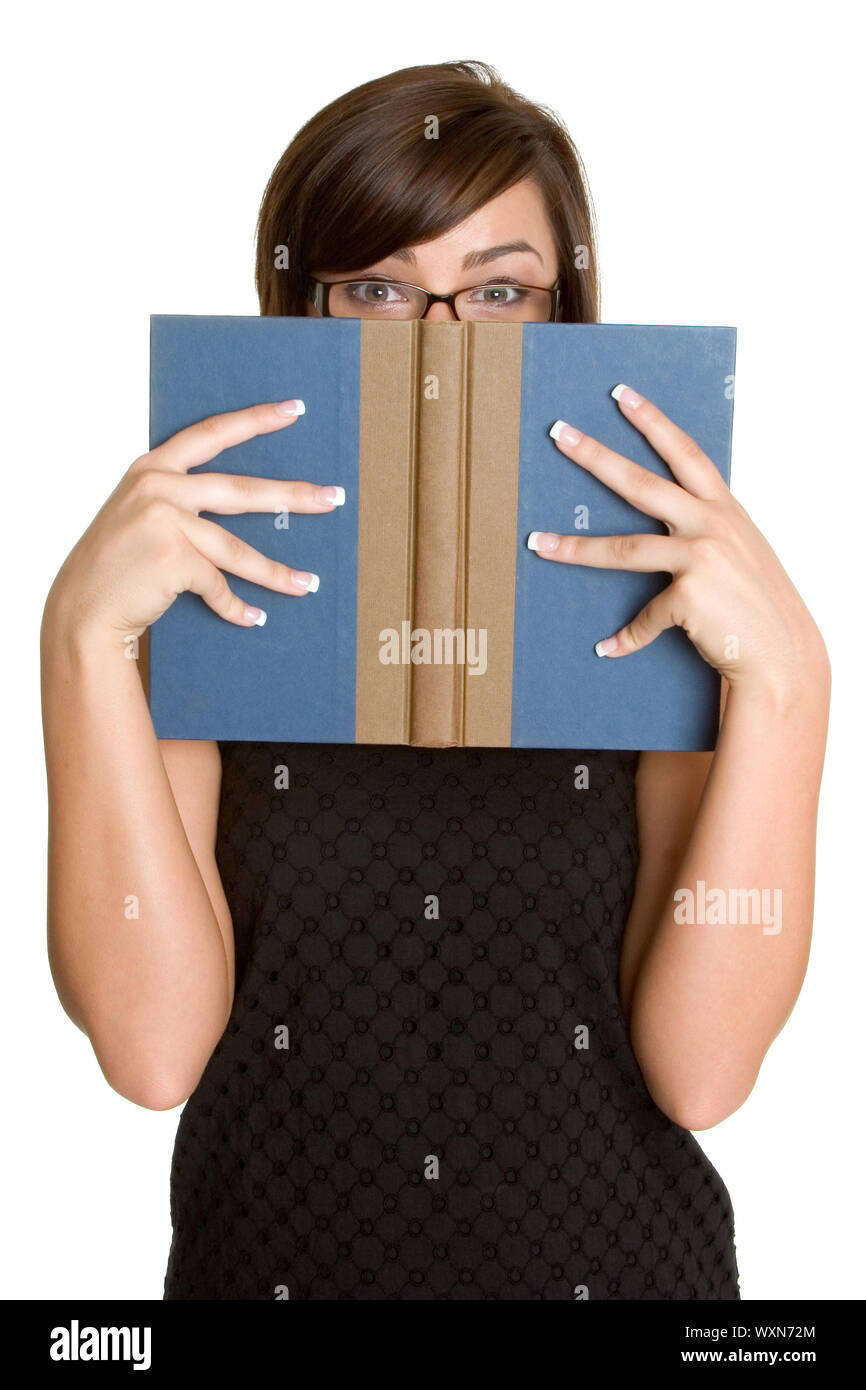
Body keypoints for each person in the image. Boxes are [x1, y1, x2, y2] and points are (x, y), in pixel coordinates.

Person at [40, 60, 830, 1301]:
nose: (439, 346)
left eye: (499, 289)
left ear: (565, 317)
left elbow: (704, 1073)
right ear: (300, 310)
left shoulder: (663, 595)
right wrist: (80, 644)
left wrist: (789, 684)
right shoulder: (206, 595)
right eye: (378, 289)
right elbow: (150, 1054)